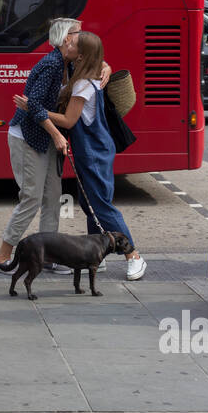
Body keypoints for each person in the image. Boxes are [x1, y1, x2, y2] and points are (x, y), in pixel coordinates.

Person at [35, 31, 147, 281]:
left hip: (94, 151)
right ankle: (97, 254)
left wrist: (36, 109)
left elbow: (68, 120)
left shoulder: (84, 84)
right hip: (93, 149)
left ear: (82, 55)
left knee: (101, 206)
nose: (68, 43)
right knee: (90, 204)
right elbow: (101, 62)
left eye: (73, 43)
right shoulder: (85, 72)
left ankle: (134, 256)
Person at [0, 18, 76, 273]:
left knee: (53, 195)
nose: (83, 37)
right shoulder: (52, 64)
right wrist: (57, 135)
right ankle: (2, 257)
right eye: (79, 33)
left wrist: (105, 68)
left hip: (45, 138)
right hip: (28, 137)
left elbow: (99, 63)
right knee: (32, 196)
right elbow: (34, 106)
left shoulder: (68, 64)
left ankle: (49, 256)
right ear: (66, 39)